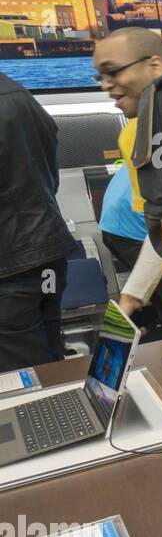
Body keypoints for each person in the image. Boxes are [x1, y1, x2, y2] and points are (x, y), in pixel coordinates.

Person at [92, 28, 162, 340]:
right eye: (99, 76)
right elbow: (160, 226)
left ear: (154, 66)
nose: (105, 86)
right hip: (130, 227)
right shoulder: (132, 135)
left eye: (112, 72)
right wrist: (129, 299)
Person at [0, 72, 75, 371]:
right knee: (50, 350)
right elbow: (47, 174)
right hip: (47, 254)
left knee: (24, 376)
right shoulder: (20, 95)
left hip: (10, 267)